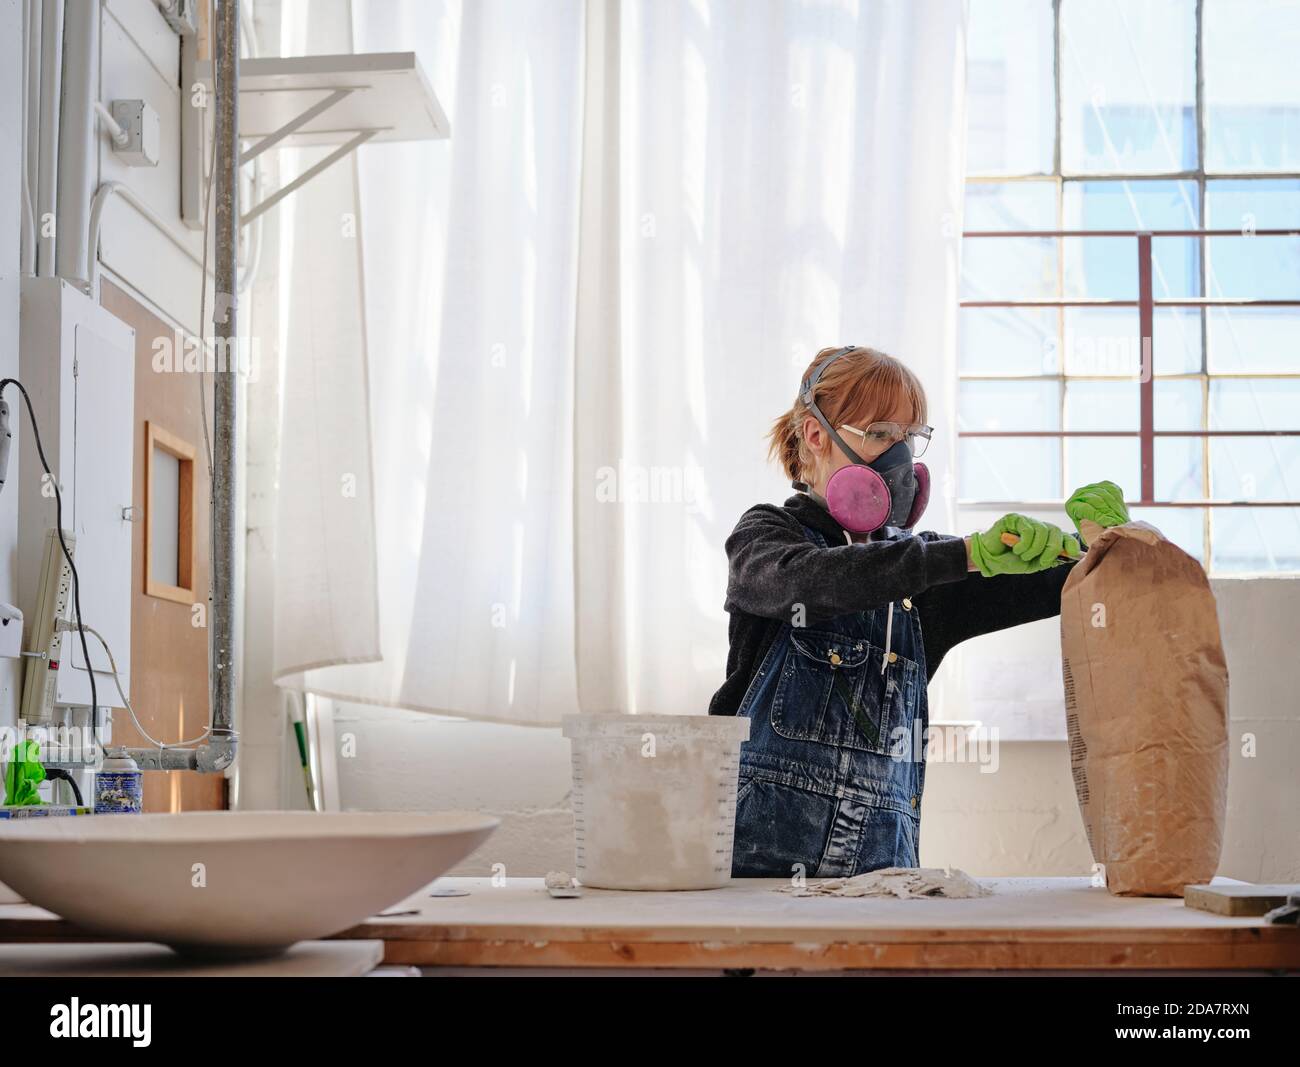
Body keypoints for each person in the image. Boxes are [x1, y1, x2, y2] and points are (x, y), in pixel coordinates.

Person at [711, 344, 1130, 878]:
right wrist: (964, 554)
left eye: (910, 438)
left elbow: (1056, 585)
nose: (900, 457)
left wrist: (1104, 545)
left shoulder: (926, 581)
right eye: (882, 434)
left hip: (884, 872)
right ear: (816, 435)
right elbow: (811, 582)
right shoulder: (766, 538)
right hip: (752, 867)